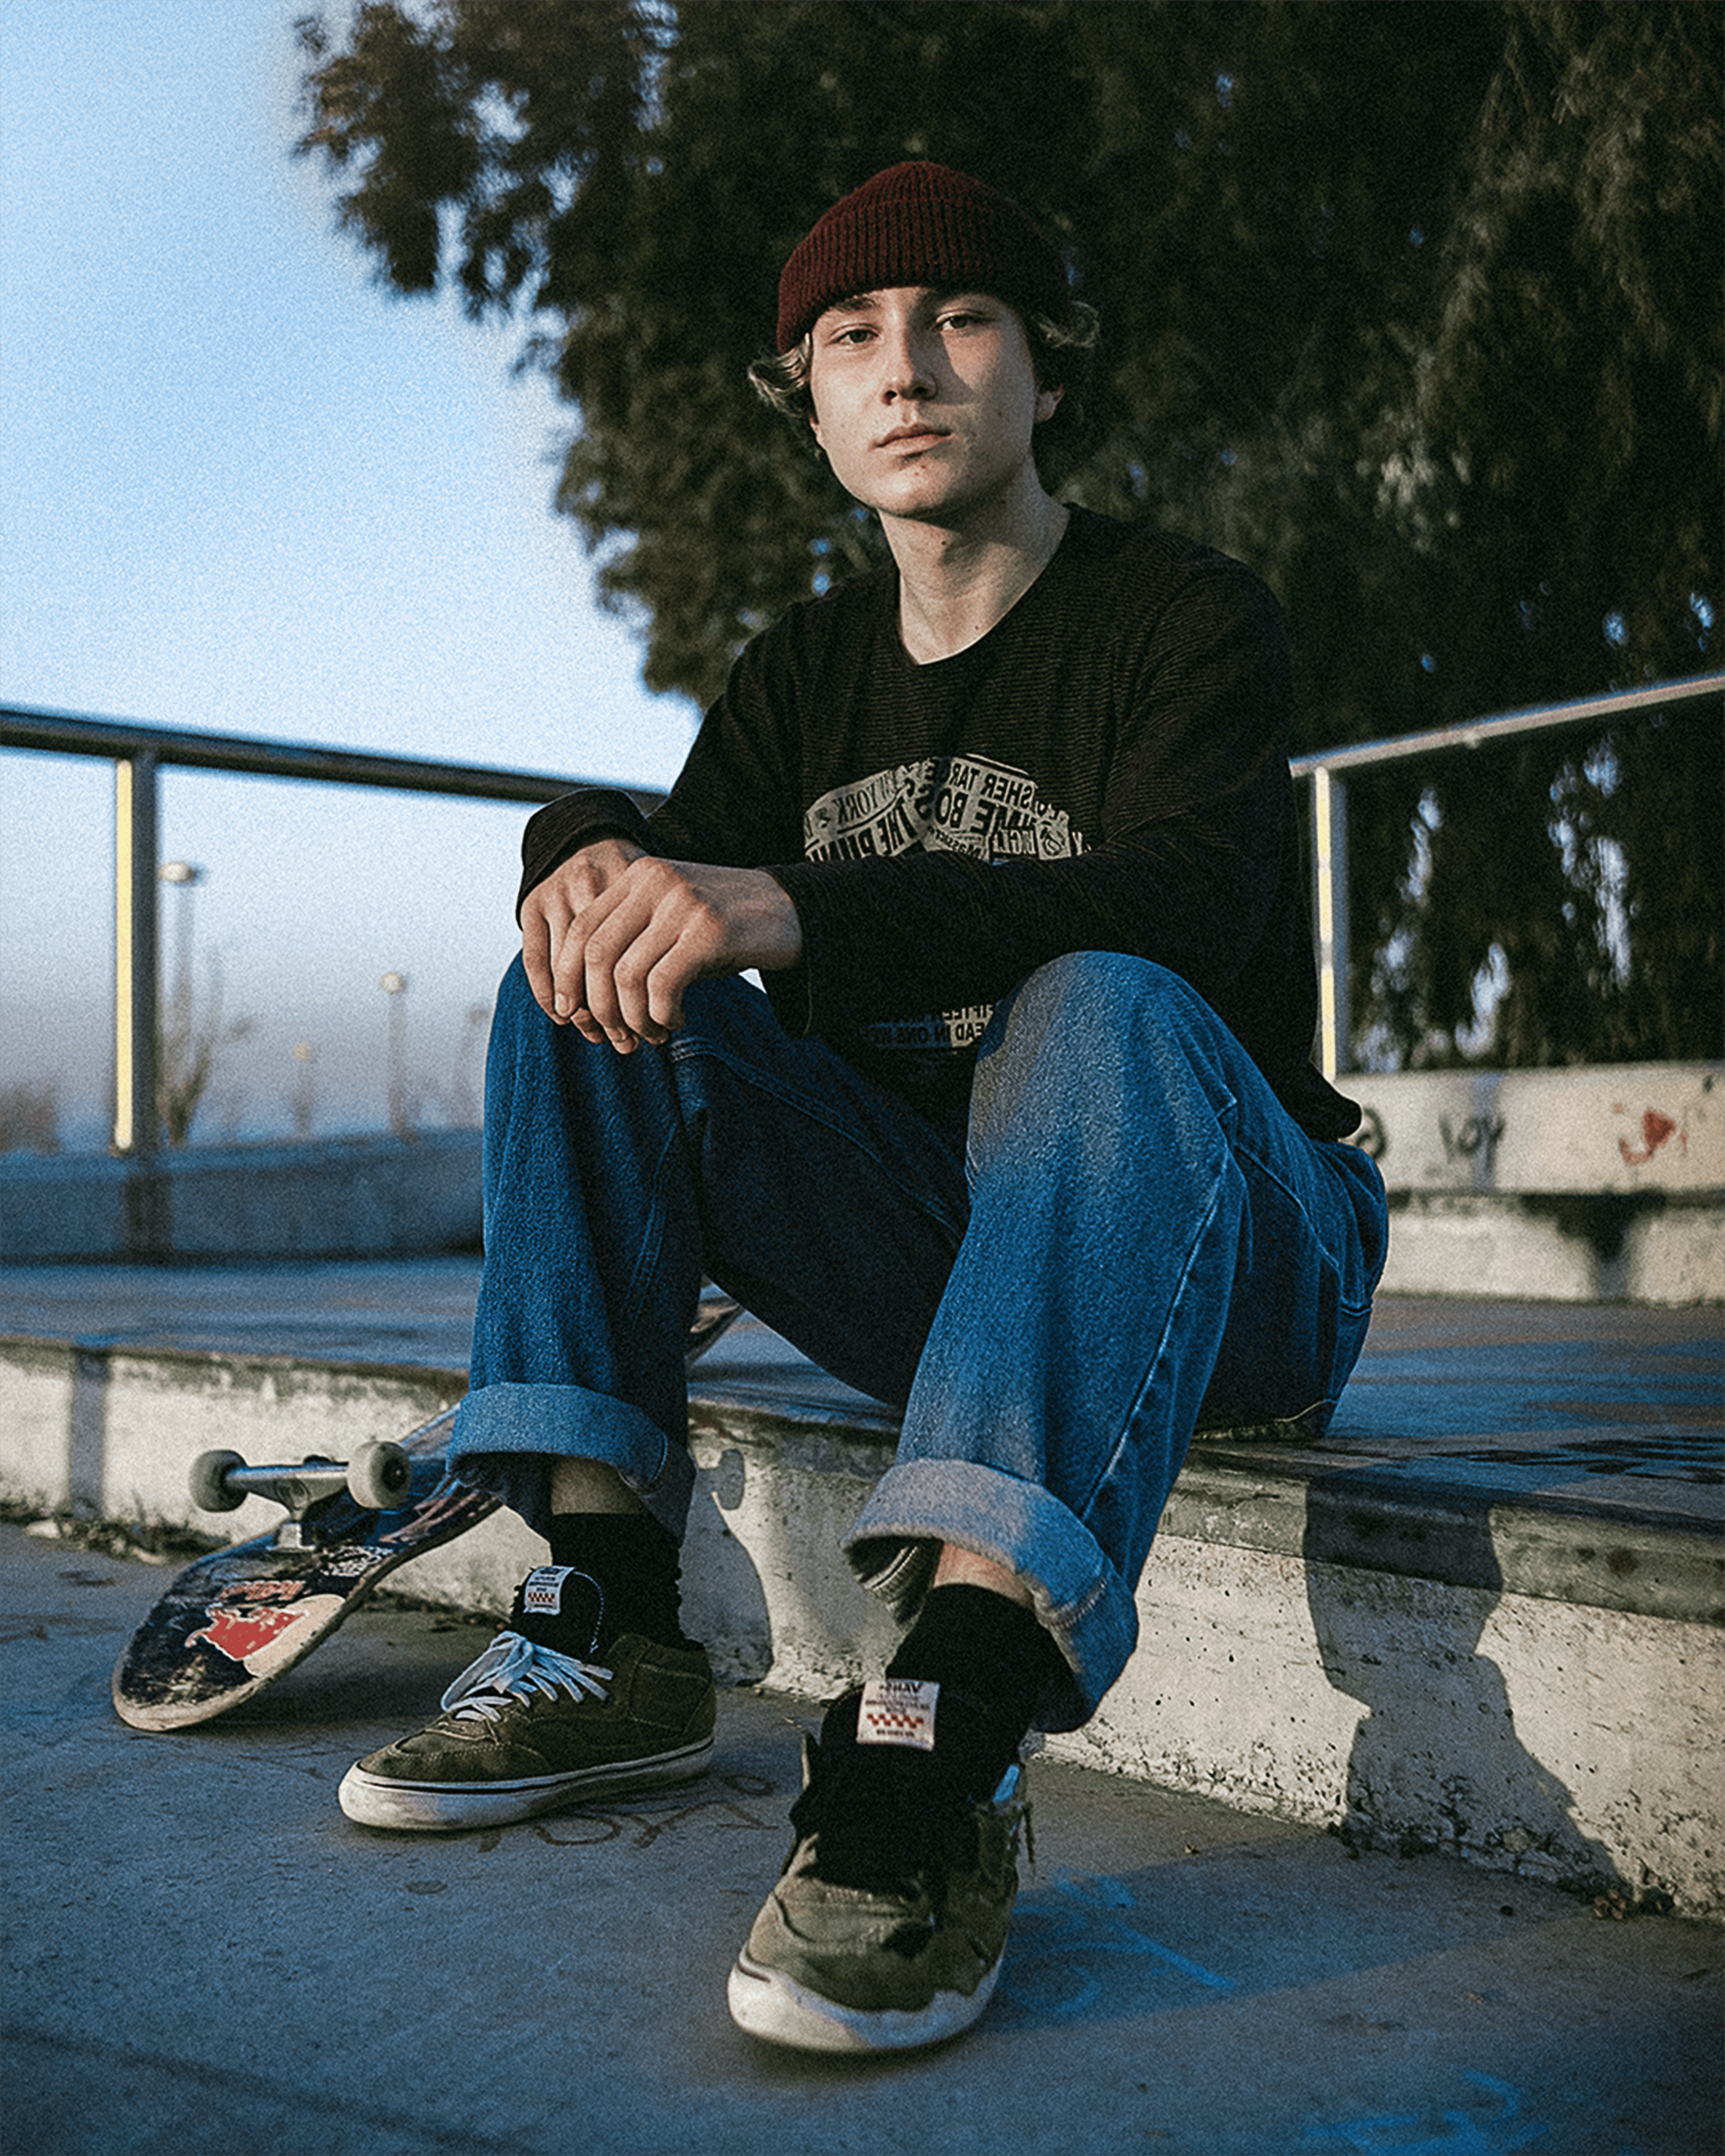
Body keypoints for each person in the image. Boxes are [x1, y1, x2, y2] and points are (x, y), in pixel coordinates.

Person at [337, 160, 1390, 2054]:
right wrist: (579, 853)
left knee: (1097, 1001)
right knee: (589, 983)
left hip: (1234, 1258)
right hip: (960, 1266)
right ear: (809, 401)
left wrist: (799, 902)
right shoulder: (801, 675)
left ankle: (950, 1721)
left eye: (959, 320)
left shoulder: (1183, 617)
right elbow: (665, 871)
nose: (905, 367)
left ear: (1047, 372)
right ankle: (606, 1610)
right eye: (850, 337)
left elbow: (1178, 911)